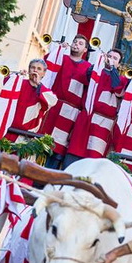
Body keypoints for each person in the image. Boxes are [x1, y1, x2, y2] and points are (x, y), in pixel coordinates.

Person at [40, 34, 92, 169]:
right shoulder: (60, 58)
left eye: (80, 43)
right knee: (42, 140)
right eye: (75, 41)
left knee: (58, 147)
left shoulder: (88, 68)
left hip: (70, 112)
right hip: (53, 105)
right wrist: (57, 50)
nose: (76, 44)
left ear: (85, 50)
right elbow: (46, 65)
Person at [65, 48, 128, 161]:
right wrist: (99, 62)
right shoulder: (95, 72)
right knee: (74, 153)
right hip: (87, 117)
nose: (111, 59)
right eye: (109, 56)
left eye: (115, 58)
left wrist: (112, 68)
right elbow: (86, 77)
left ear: (119, 64)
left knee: (93, 157)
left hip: (103, 123)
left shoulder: (122, 79)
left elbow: (117, 88)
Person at [0, 59, 57, 142]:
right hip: (7, 129)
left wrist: (38, 84)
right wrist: (17, 76)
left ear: (43, 73)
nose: (35, 70)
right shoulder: (19, 83)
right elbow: (7, 83)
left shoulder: (44, 91)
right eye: (33, 67)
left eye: (39, 69)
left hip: (25, 136)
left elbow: (53, 101)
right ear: (29, 69)